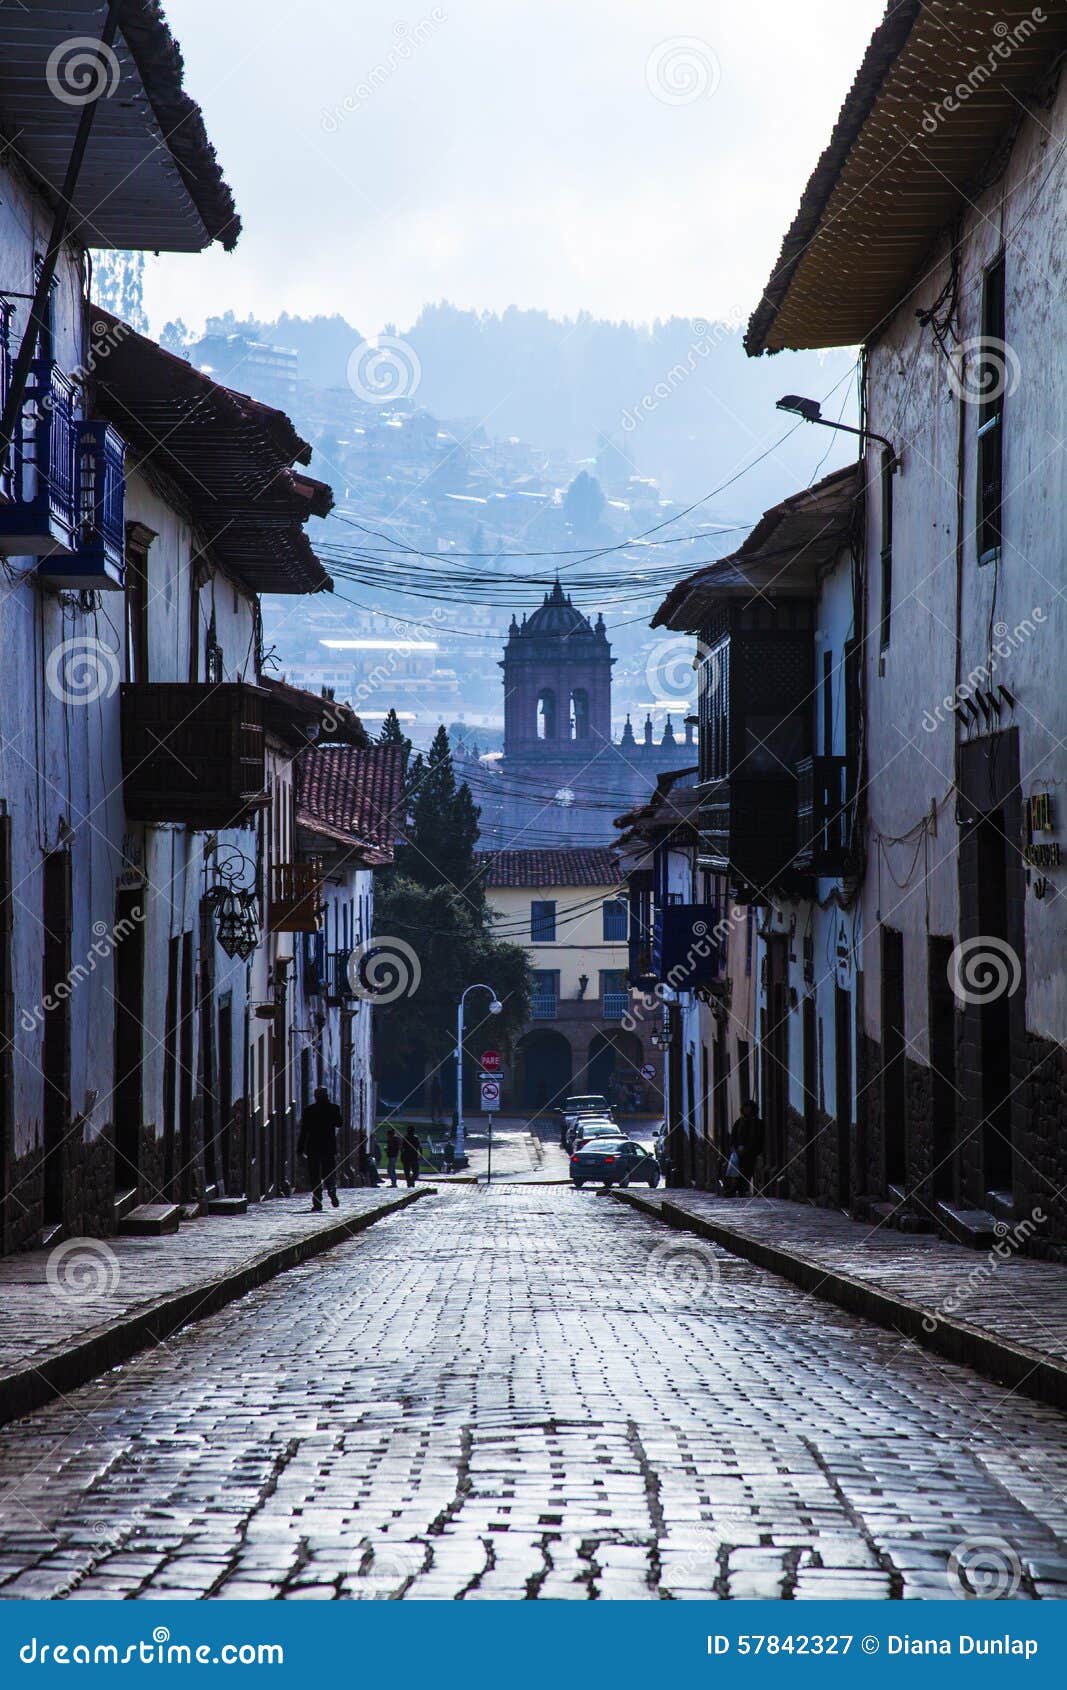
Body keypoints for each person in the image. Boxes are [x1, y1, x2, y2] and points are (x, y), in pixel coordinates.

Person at [298, 1086, 342, 1211]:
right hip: (328, 1147)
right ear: (326, 1095)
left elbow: (304, 1131)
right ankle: (332, 1191)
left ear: (315, 1096)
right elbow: (340, 1123)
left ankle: (317, 1202)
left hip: (313, 1147)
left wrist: (300, 1148)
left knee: (314, 1175)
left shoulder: (309, 1110)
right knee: (329, 1172)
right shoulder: (333, 1108)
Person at [726, 1100, 764, 1197]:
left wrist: (753, 1149)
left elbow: (759, 1138)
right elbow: (733, 1136)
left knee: (747, 1171)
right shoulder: (739, 1122)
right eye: (745, 1108)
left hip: (751, 1152)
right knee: (738, 1171)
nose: (747, 1110)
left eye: (749, 1108)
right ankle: (738, 1190)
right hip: (739, 1151)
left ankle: (735, 1190)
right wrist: (734, 1148)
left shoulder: (757, 1123)